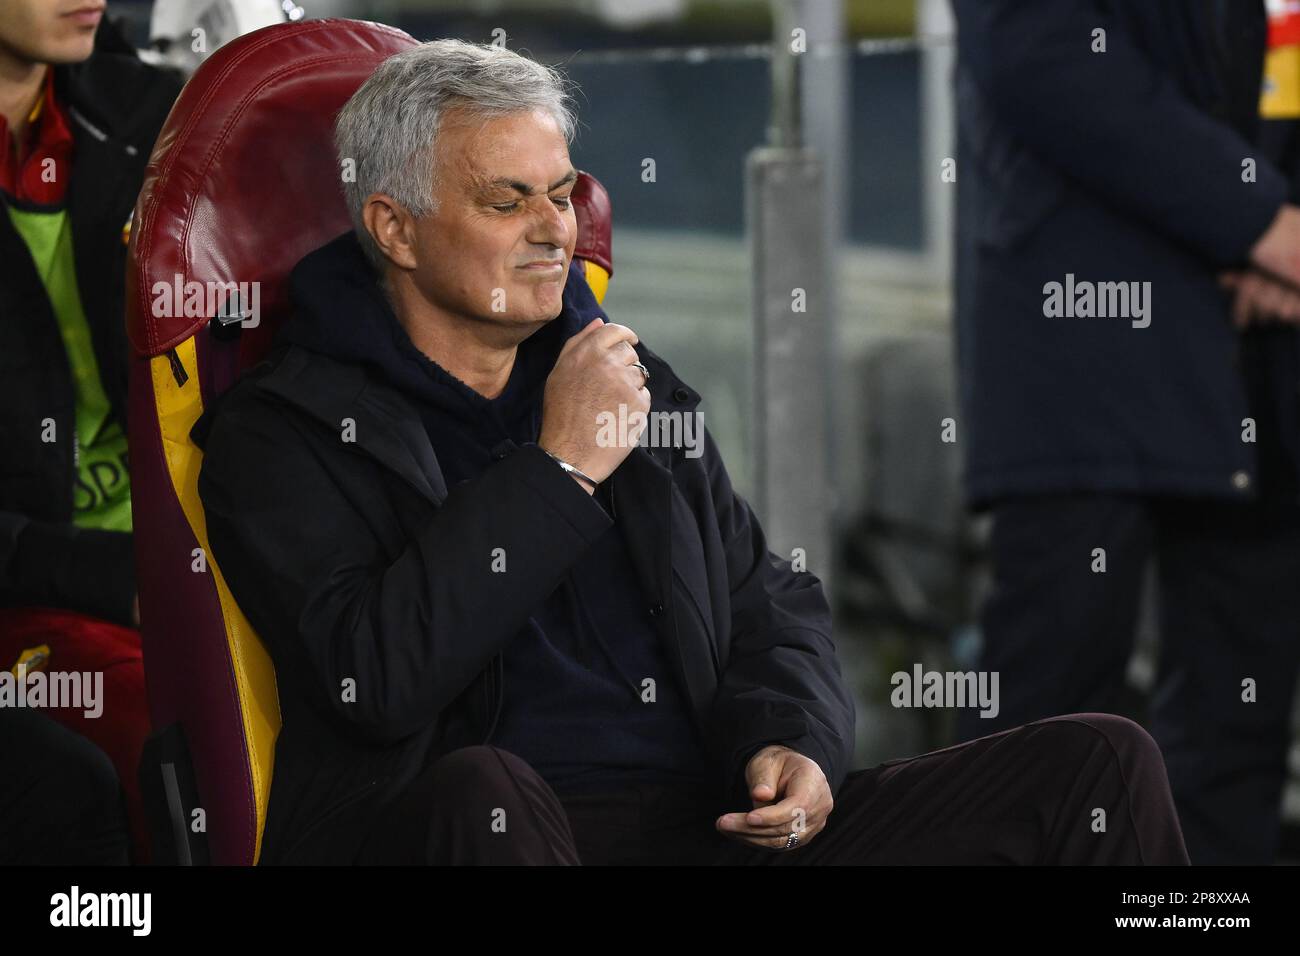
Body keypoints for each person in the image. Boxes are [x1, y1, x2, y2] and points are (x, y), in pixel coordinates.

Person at [194, 38, 1189, 865]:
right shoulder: (285, 431)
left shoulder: (626, 377)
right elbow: (377, 677)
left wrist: (791, 738)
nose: (554, 230)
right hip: (493, 832)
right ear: (394, 230)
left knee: (1098, 766)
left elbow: (767, 600)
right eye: (507, 201)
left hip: (705, 824)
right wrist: (557, 470)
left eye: (561, 191)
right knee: (485, 795)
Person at [951, 0, 1300, 864]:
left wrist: (1281, 240)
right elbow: (1042, 56)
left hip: (1262, 349)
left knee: (1236, 721)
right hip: (1088, 338)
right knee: (1048, 716)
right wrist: (1260, 222)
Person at [0, 1, 182, 864]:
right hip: (38, 591)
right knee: (170, 737)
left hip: (187, 550)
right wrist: (119, 575)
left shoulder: (160, 117)